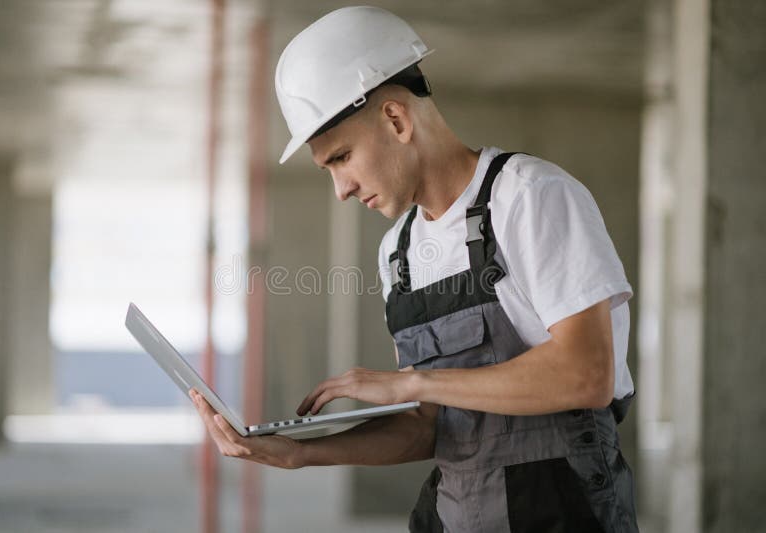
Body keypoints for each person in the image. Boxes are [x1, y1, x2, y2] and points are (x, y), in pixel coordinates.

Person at [190, 6, 639, 532]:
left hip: (563, 515)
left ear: (396, 119)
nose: (341, 189)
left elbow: (587, 374)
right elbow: (432, 429)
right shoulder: (398, 254)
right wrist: (300, 452)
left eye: (341, 158)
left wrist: (413, 383)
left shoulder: (530, 197)